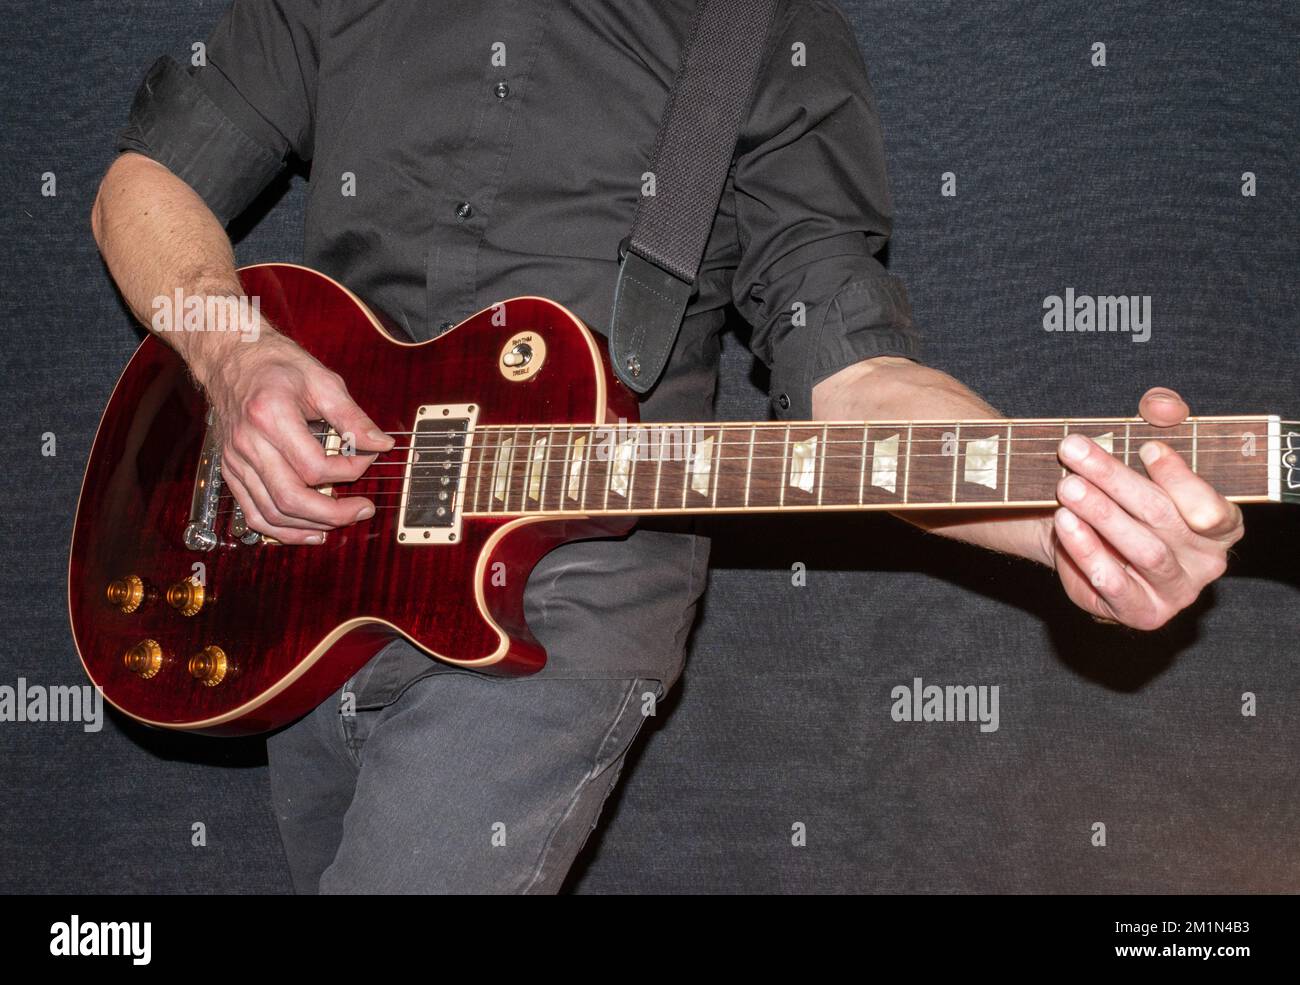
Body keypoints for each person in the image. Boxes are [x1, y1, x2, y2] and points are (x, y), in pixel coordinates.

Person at [90, 0, 1242, 893]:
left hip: (564, 586)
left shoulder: (765, 33)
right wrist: (234, 353)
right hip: (301, 558)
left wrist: (1069, 522)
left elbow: (857, 383)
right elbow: (143, 184)